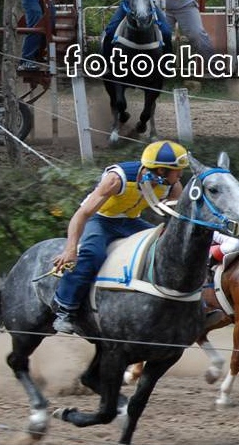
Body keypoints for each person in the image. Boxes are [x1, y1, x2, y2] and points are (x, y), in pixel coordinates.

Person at [51, 140, 190, 333]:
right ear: (161, 170)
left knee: (165, 248)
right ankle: (65, 309)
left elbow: (178, 218)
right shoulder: (117, 179)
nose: (181, 174)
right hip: (100, 220)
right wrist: (70, 249)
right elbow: (82, 214)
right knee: (92, 255)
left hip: (131, 222)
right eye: (177, 170)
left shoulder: (172, 185)